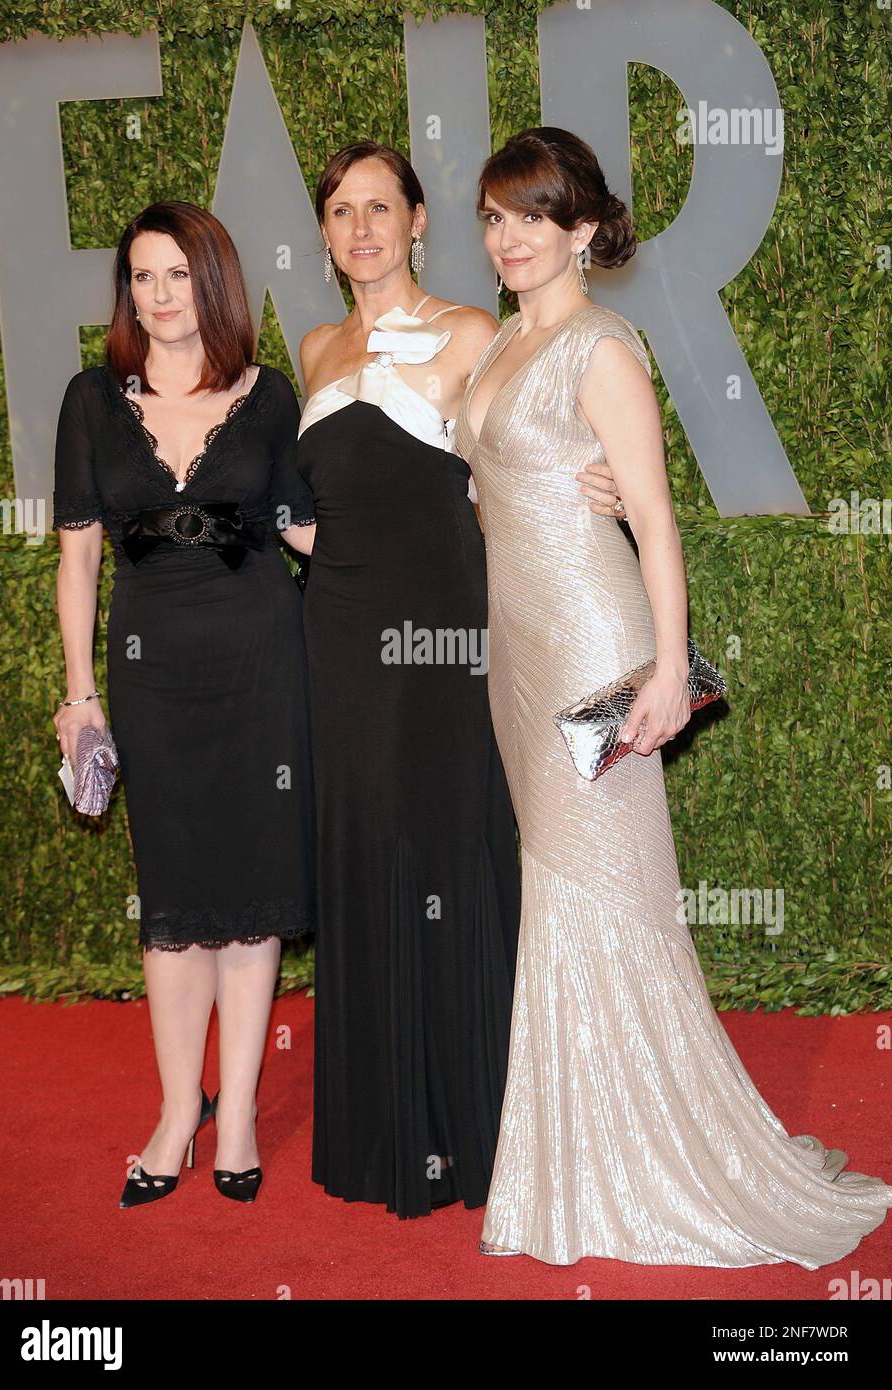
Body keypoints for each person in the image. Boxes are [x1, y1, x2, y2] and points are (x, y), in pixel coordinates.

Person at [454, 126, 892, 1266]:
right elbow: (501, 492)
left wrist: (666, 670)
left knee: (601, 886)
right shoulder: (504, 342)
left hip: (599, 646)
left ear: (584, 229)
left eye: (530, 218)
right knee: (559, 886)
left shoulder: (603, 346)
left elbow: (653, 518)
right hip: (521, 647)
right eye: (495, 218)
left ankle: (636, 1158)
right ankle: (580, 1150)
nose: (508, 238)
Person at [287, 140, 622, 1218]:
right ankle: (383, 1130)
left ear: (421, 221)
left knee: (448, 845)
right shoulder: (312, 349)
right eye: (341, 210)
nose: (362, 228)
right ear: (326, 230)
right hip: (337, 641)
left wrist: (593, 476)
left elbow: (515, 442)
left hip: (442, 644)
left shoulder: (474, 332)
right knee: (366, 846)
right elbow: (320, 505)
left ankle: (472, 1127)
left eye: (381, 207)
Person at [52, 201, 317, 1207]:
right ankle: (177, 1111)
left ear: (214, 280)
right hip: (148, 669)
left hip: (262, 662)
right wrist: (80, 693)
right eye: (142, 277)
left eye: (177, 275)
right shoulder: (91, 399)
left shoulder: (271, 393)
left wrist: (422, 546)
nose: (159, 296)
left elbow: (302, 528)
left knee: (248, 905)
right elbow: (79, 554)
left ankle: (239, 1112)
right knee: (173, 906)